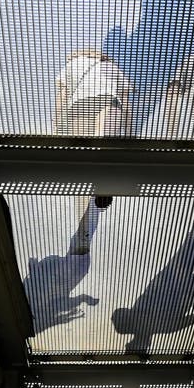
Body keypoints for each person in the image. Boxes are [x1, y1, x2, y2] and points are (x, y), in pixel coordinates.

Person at [54, 50, 132, 247]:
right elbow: (125, 98)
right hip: (107, 102)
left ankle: (82, 234)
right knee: (103, 142)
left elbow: (61, 95)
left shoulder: (73, 63)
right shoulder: (111, 65)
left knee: (83, 166)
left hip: (79, 106)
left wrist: (57, 126)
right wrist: (130, 134)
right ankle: (103, 179)